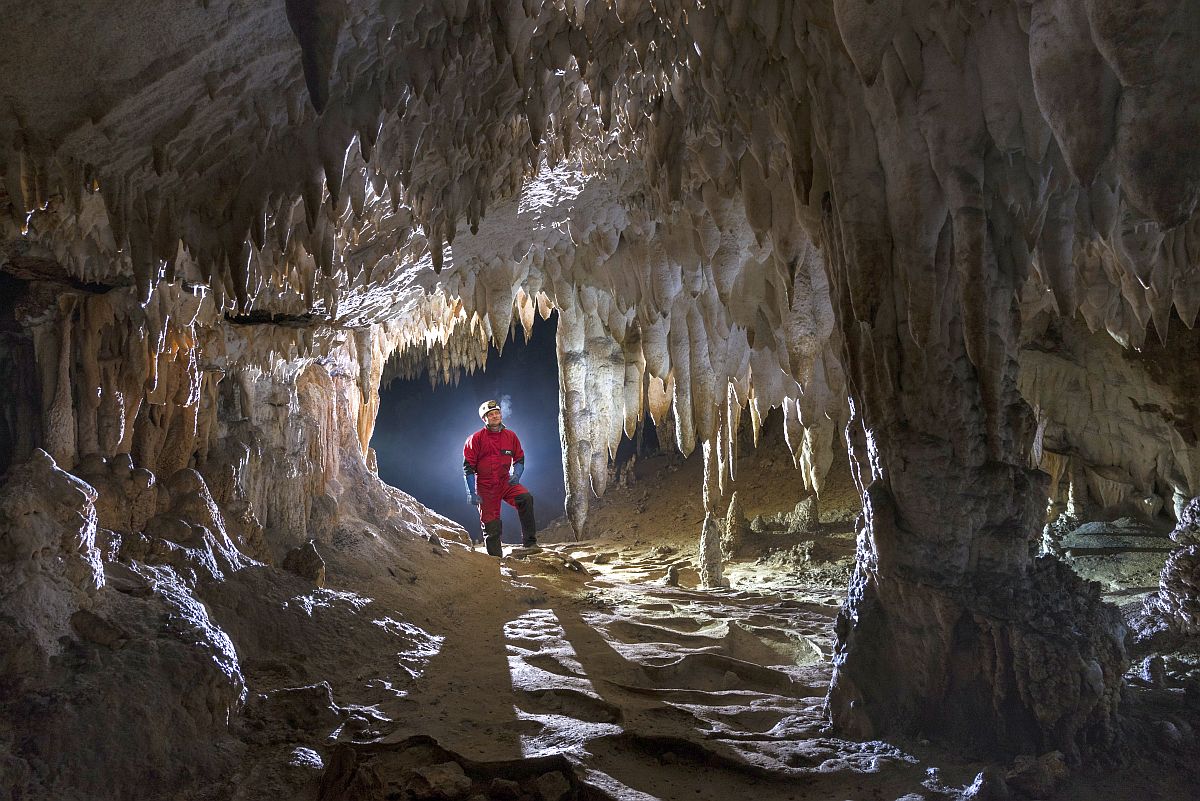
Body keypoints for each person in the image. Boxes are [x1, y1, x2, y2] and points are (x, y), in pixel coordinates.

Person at [463, 399, 538, 556]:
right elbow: (468, 467)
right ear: (484, 418)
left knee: (525, 498)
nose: (495, 416)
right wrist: (471, 492)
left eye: (497, 413)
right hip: (485, 486)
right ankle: (496, 560)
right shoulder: (475, 439)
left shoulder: (510, 436)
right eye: (491, 414)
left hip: (505, 481)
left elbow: (519, 459)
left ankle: (530, 544)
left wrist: (517, 475)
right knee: (492, 525)